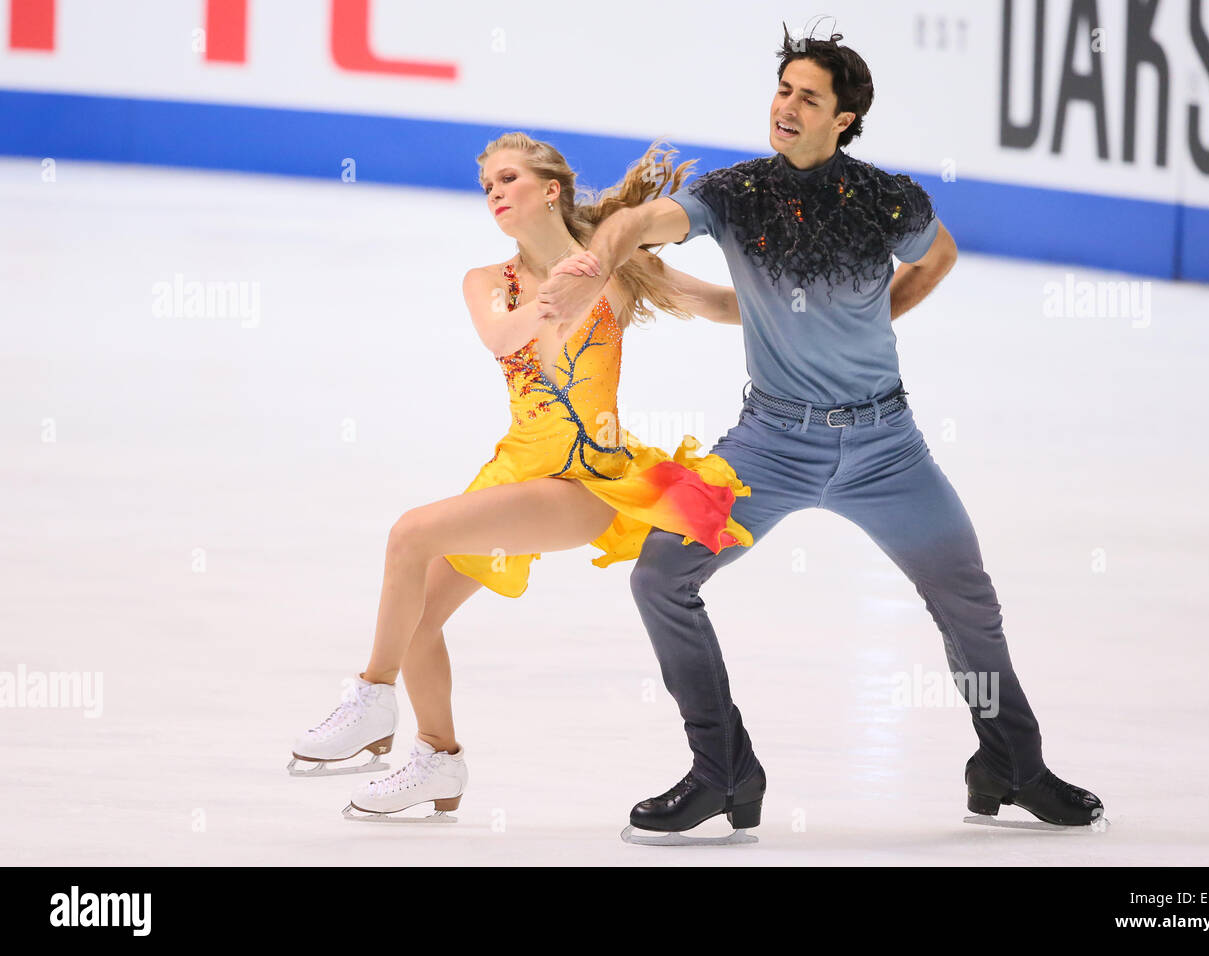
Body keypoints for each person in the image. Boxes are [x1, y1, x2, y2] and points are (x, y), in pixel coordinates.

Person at [538, 26, 1105, 842]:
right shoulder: (736, 193)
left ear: (844, 118)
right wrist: (600, 256)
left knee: (968, 605)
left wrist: (892, 309)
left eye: (809, 96)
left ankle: (1011, 764)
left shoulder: (885, 199)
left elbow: (938, 255)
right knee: (661, 576)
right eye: (782, 89)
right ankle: (723, 771)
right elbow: (642, 223)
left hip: (888, 450)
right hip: (768, 446)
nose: (787, 106)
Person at [286, 133, 754, 822]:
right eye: (486, 187)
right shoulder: (487, 282)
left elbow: (717, 304)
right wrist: (553, 297)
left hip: (587, 481)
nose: (496, 194)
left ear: (551, 190)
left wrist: (816, 306)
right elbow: (500, 339)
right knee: (418, 614)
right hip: (516, 469)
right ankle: (437, 760)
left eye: (508, 179)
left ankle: (371, 695)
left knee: (409, 534)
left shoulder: (620, 269)